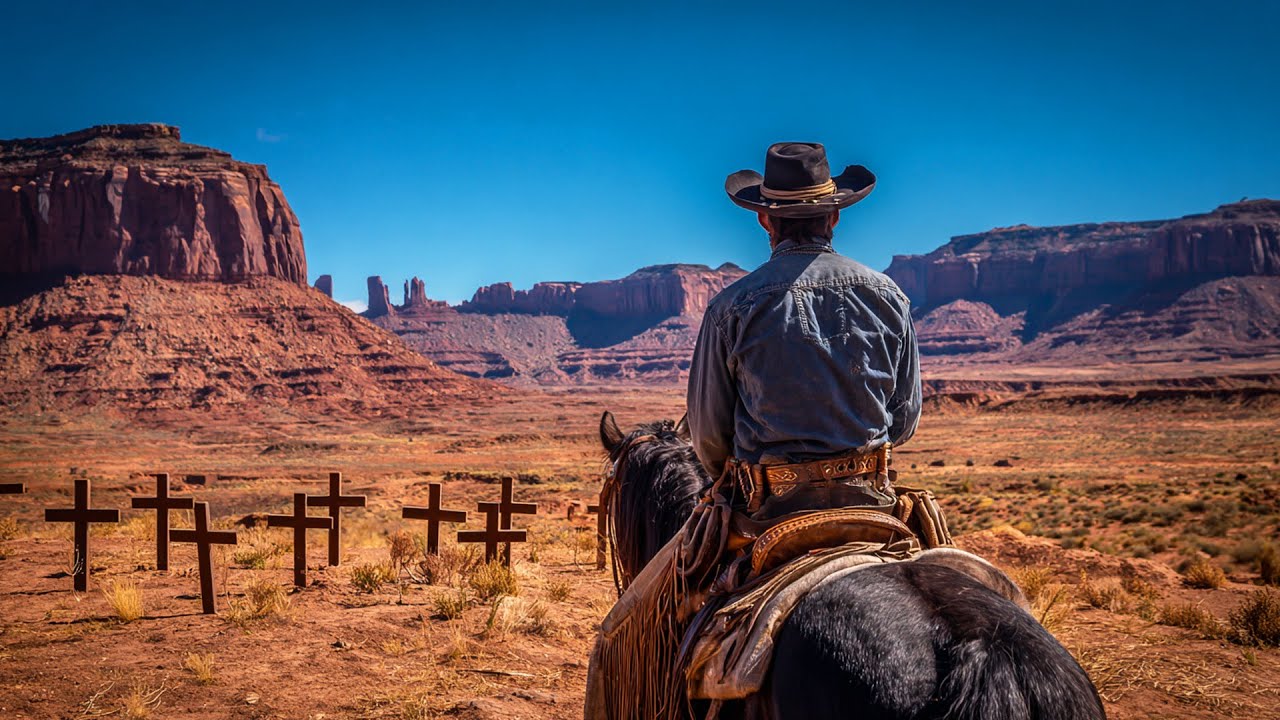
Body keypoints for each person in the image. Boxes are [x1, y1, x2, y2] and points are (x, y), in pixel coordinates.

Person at [687, 142, 921, 519]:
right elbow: (904, 419)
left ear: (764, 219)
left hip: (768, 507)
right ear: (834, 218)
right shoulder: (890, 296)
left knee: (681, 573)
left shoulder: (730, 307)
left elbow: (710, 436)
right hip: (872, 496)